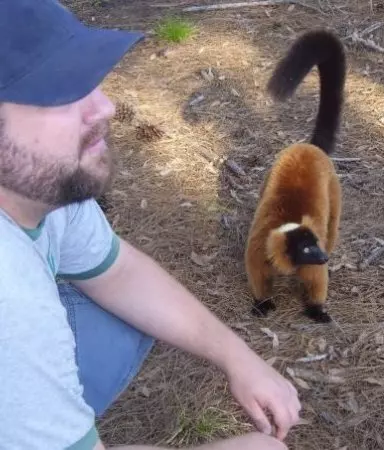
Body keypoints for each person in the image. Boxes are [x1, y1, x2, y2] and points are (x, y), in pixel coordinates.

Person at [0, 1, 302, 449]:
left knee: (112, 318)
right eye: (63, 90)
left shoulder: (40, 186)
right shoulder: (12, 300)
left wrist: (238, 356)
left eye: (90, 79)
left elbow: (117, 271)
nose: (104, 107)